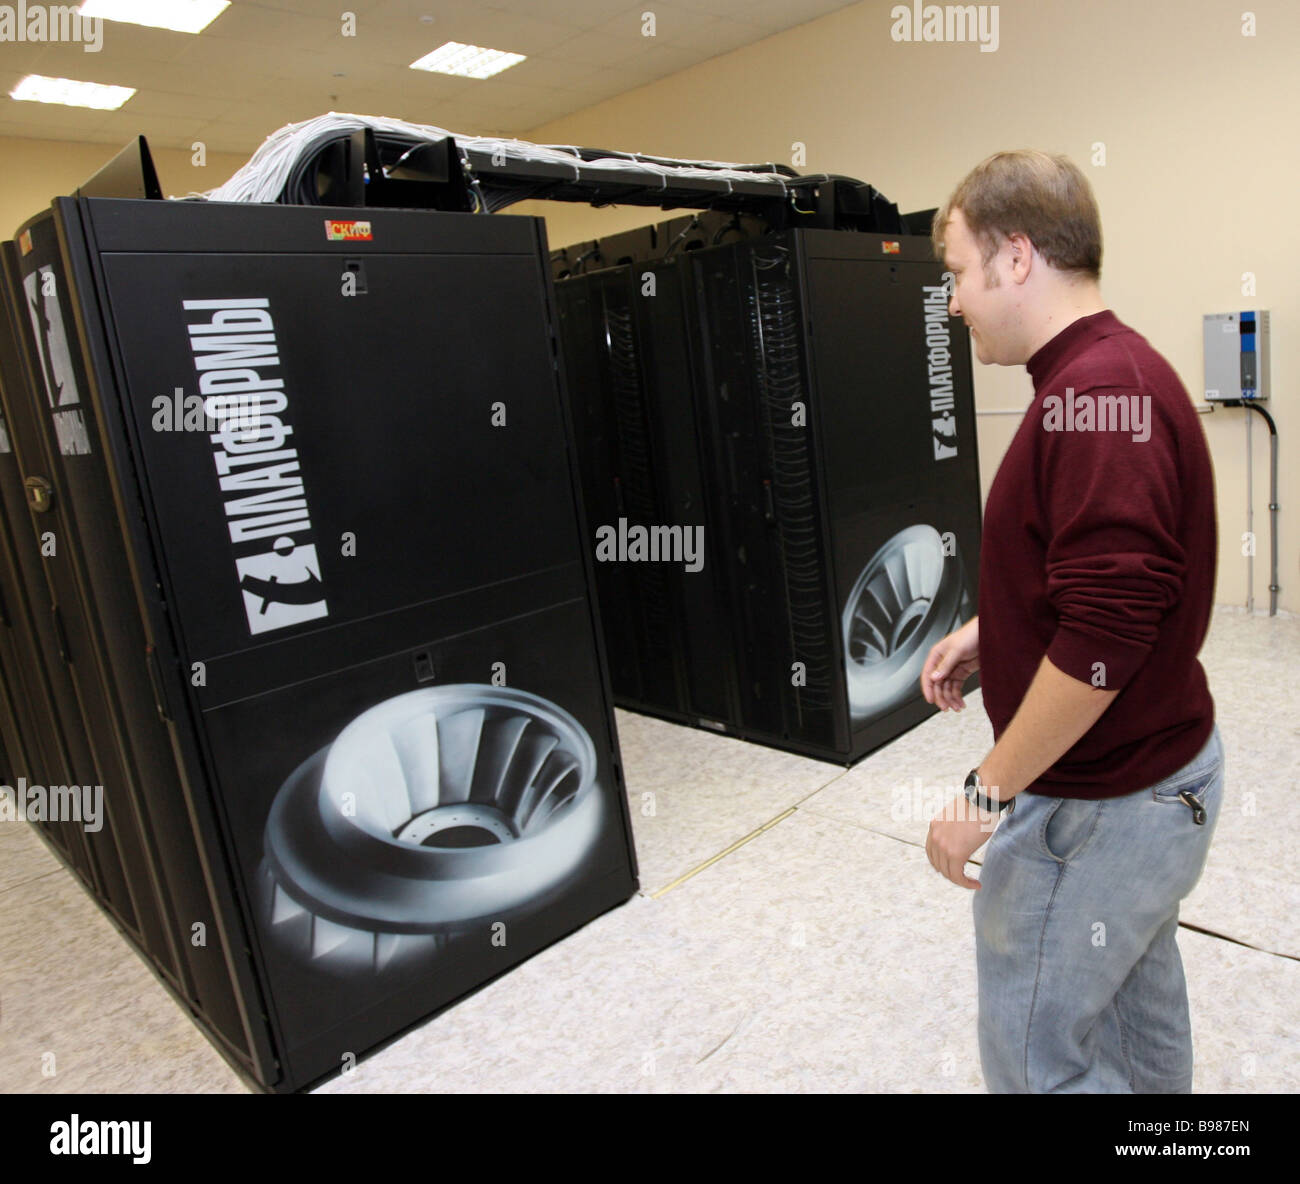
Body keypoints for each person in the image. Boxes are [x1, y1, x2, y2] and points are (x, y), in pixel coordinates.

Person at [918, 149, 1222, 1093]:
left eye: (958, 275)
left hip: (1100, 809)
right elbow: (1093, 580)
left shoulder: (1093, 399)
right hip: (1151, 786)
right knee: (1135, 1024)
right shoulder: (1105, 372)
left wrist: (983, 795)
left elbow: (1105, 633)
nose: (955, 303)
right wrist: (997, 632)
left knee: (1036, 1062)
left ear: (1016, 259)